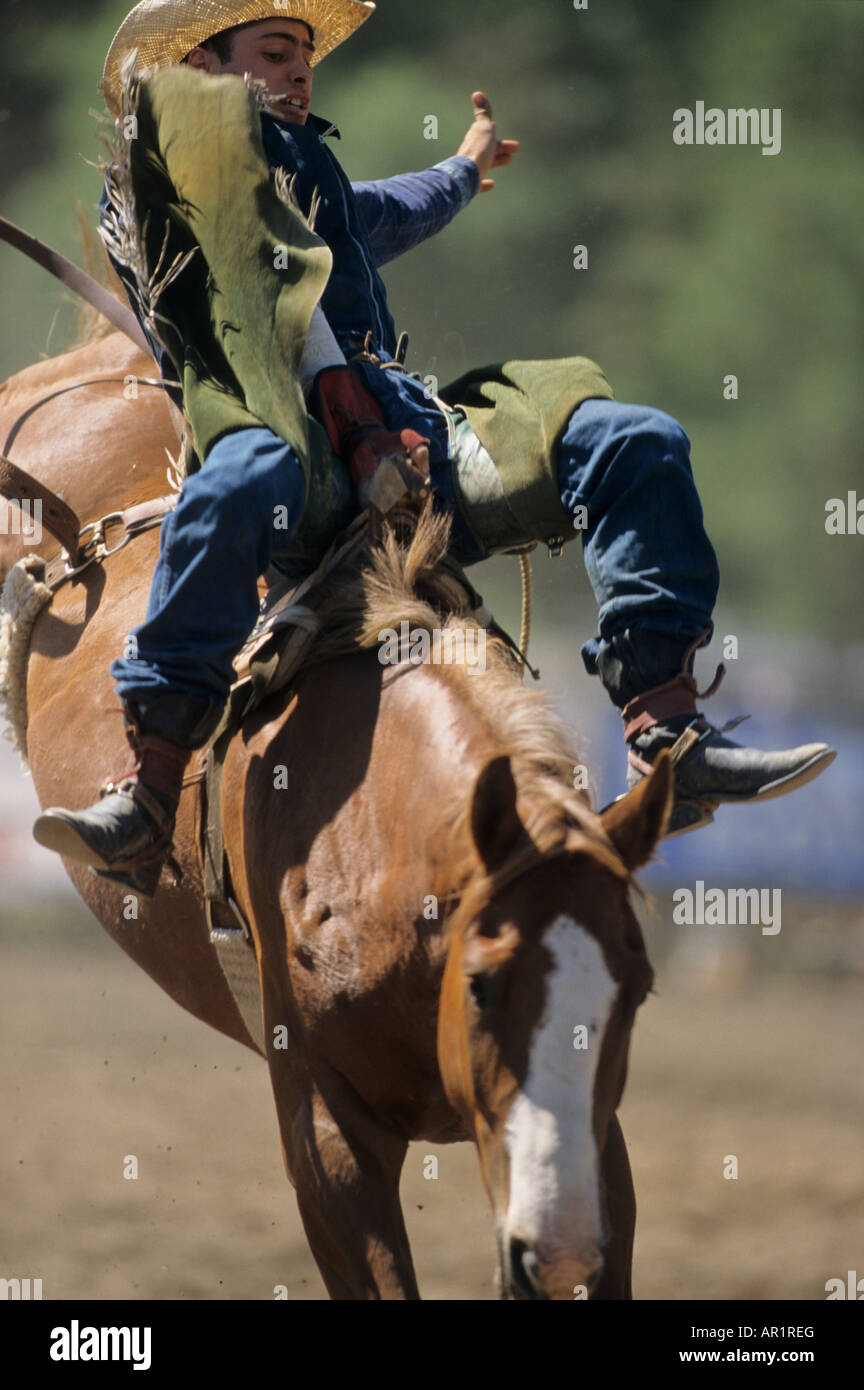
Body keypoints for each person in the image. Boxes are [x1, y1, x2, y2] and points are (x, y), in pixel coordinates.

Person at [33, 0, 834, 893]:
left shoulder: (312, 170)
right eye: (275, 51)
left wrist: (462, 165)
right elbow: (248, 241)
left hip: (412, 437)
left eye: (305, 54)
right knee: (241, 477)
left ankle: (666, 729)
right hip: (283, 444)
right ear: (207, 69)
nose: (301, 70)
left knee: (632, 439)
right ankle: (146, 794)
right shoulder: (169, 173)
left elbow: (386, 212)